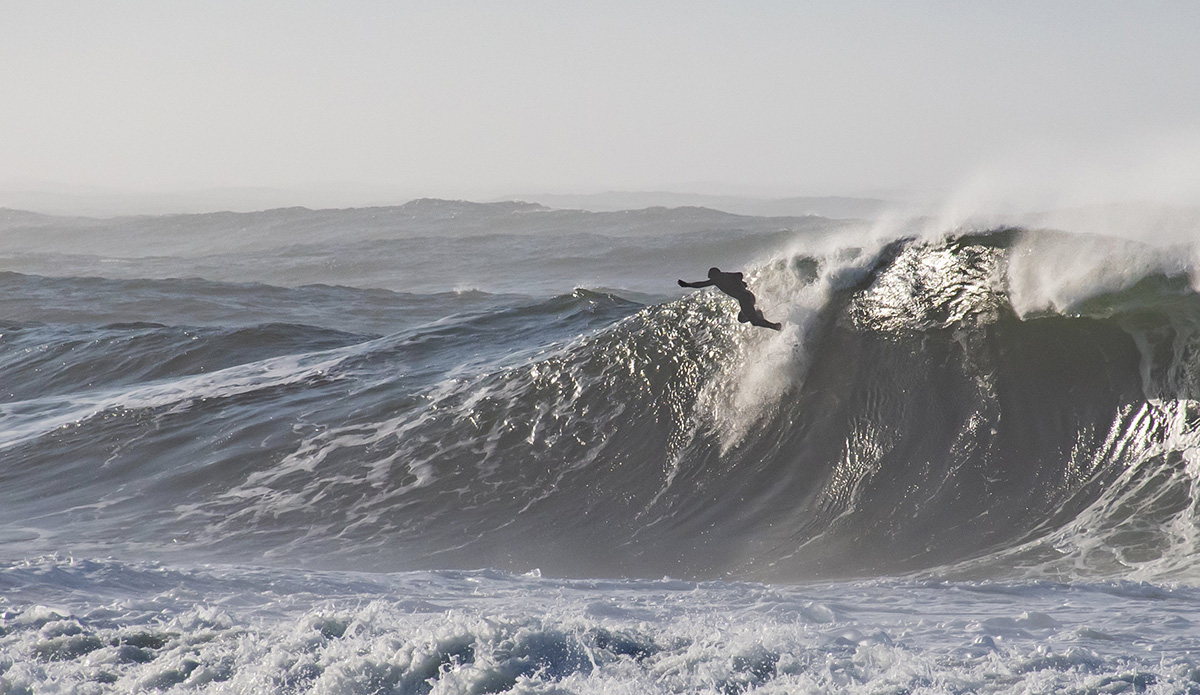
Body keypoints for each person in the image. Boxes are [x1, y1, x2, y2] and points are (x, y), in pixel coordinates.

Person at [678, 267, 781, 330]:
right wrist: (740, 283)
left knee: (754, 321)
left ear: (714, 274)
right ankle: (758, 314)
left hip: (744, 299)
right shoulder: (728, 275)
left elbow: (700, 284)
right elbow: (739, 274)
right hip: (749, 296)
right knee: (741, 318)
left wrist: (687, 285)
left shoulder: (717, 278)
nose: (711, 279)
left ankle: (775, 326)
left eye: (711, 277)